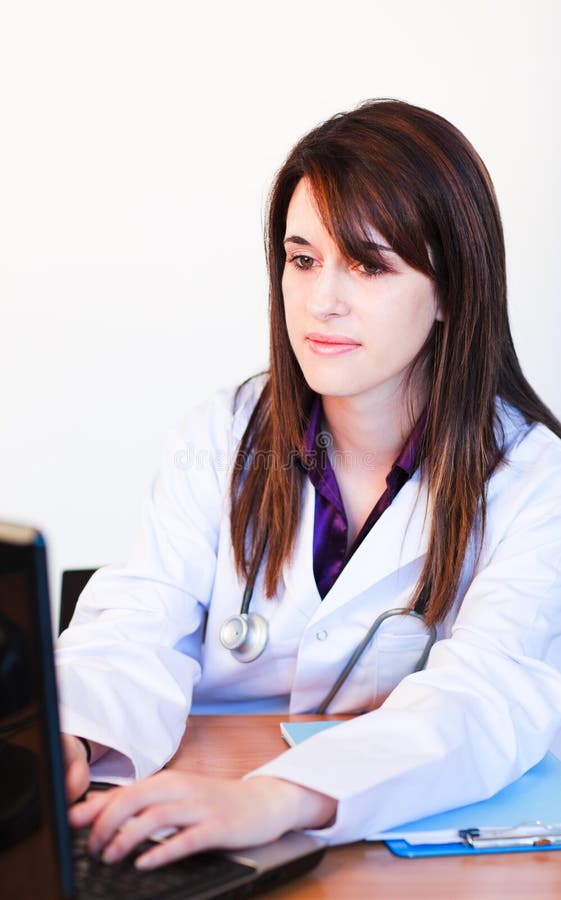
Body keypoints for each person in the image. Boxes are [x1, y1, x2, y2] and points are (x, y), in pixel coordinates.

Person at [57, 99, 561, 870]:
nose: (321, 301)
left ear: (452, 291)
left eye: (368, 265)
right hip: (189, 811)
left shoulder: (532, 478)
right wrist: (70, 735)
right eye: (302, 259)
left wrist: (276, 796)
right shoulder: (224, 433)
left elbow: (486, 696)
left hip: (379, 846)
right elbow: (137, 622)